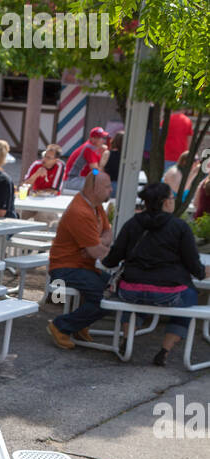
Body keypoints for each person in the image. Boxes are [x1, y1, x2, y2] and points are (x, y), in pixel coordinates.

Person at [103, 180, 205, 367]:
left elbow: (111, 260)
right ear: (166, 202)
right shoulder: (180, 227)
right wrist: (203, 272)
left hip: (129, 291)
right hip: (170, 294)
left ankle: (127, 339)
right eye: (172, 198)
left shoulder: (132, 224)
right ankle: (164, 350)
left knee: (137, 299)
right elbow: (194, 267)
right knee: (190, 297)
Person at [47, 169, 113, 349]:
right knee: (105, 297)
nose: (111, 190)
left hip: (84, 266)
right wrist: (95, 247)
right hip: (66, 268)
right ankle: (61, 326)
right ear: (93, 188)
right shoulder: (81, 211)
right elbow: (97, 252)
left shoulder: (96, 206)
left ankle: (79, 325)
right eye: (107, 186)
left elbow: (108, 233)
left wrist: (95, 243)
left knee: (116, 289)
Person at [98, 133, 123, 197]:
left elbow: (99, 170)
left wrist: (92, 172)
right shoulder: (126, 156)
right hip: (123, 185)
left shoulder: (107, 153)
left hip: (109, 184)